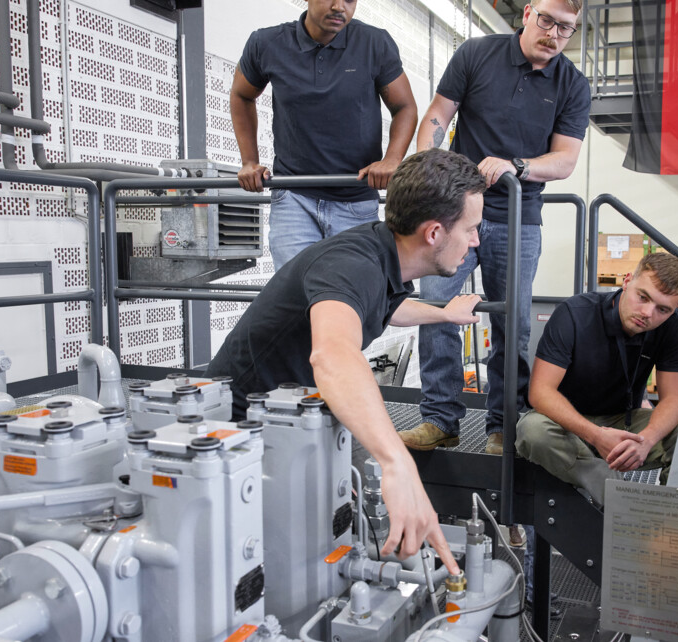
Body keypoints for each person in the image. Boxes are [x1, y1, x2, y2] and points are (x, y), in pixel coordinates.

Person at [204, 149, 487, 574]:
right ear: (433, 233)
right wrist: (398, 462)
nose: (476, 241)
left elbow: (383, 307)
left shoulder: (384, 254)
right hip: (247, 426)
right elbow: (332, 354)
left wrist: (444, 314)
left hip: (302, 410)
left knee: (377, 510)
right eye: (471, 229)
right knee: (350, 520)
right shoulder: (352, 265)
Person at [400, 0, 591, 456]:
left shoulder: (572, 84)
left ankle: (504, 425)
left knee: (513, 327)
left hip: (518, 219)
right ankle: (439, 420)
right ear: (527, 13)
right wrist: (429, 158)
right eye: (546, 20)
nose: (553, 33)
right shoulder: (476, 54)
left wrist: (517, 165)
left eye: (565, 28)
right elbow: (437, 115)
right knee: (436, 309)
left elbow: (564, 160)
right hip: (455, 214)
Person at [230, 0, 418, 269]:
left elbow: (405, 107)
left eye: (350, 0)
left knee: (352, 296)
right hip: (294, 200)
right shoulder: (267, 43)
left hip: (355, 200)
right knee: (296, 296)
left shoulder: (374, 43)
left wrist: (392, 160)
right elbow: (241, 94)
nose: (339, 6)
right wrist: (249, 161)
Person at [516, 252, 678, 506]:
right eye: (643, 297)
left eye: (662, 309)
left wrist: (648, 440)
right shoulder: (575, 313)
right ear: (627, 280)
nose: (647, 313)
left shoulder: (673, 326)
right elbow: (541, 391)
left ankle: (675, 516)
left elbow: (675, 397)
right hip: (565, 425)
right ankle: (613, 494)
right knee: (531, 431)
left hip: (624, 424)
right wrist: (596, 436)